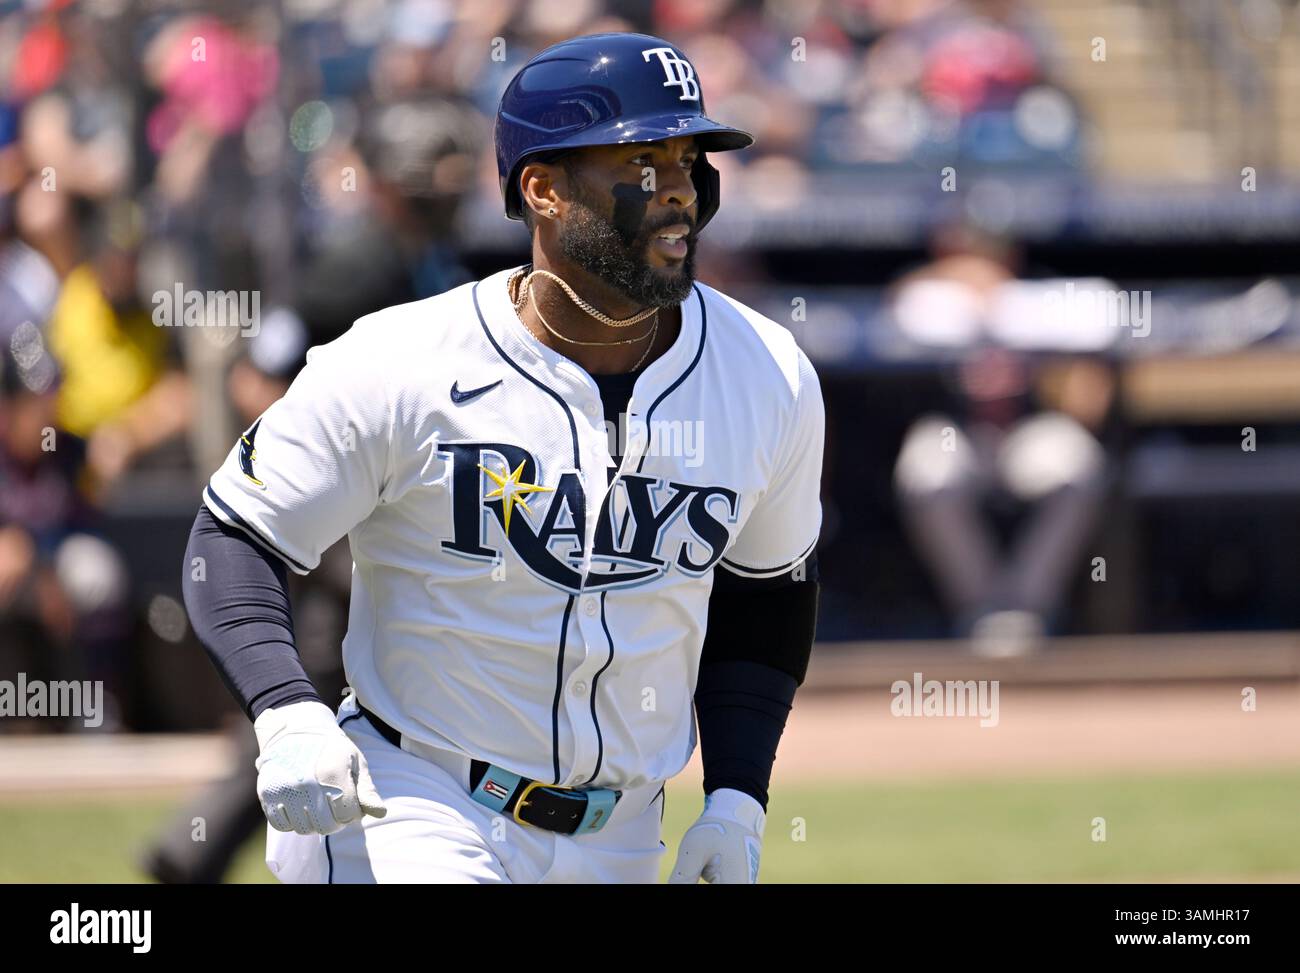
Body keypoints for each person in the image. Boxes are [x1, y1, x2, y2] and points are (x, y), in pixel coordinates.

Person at [182, 32, 824, 884]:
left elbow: (766, 590)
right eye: (642, 161)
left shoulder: (767, 373)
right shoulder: (401, 359)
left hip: (624, 830)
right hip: (417, 801)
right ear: (545, 188)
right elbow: (234, 534)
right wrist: (287, 711)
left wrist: (738, 796)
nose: (678, 190)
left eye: (689, 158)